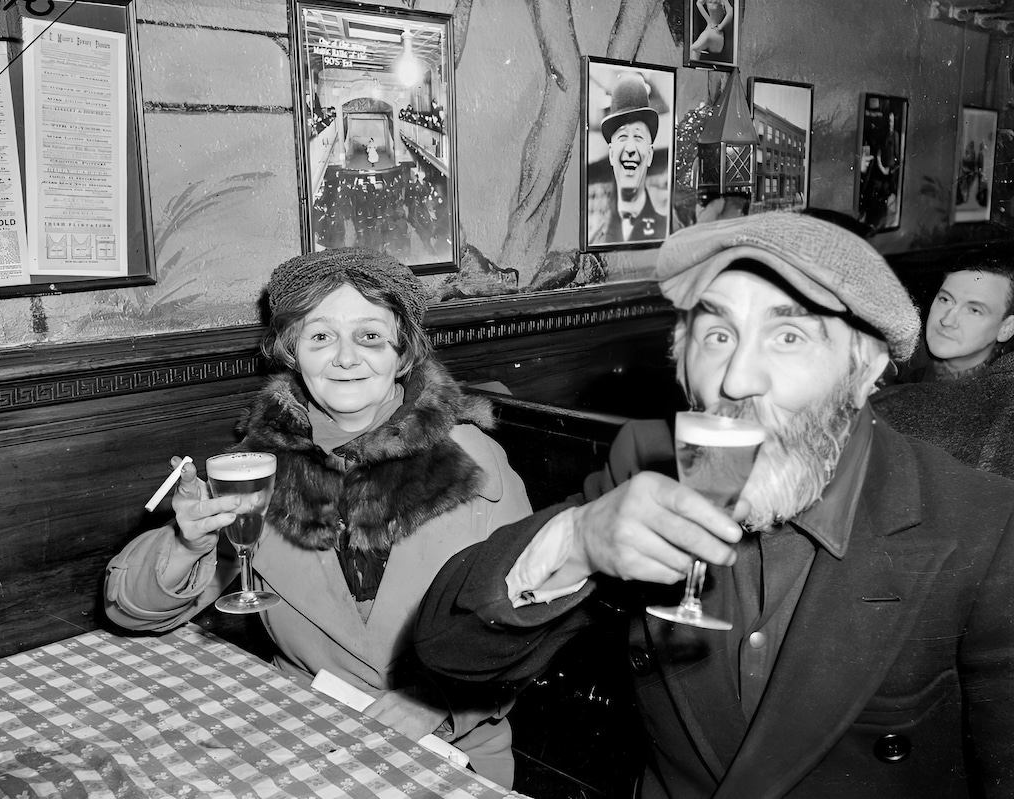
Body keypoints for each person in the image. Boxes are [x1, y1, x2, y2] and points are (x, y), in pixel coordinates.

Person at [414, 212, 1014, 798]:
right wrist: (576, 541)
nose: (736, 379)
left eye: (789, 335)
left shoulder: (984, 526)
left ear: (866, 370)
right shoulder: (649, 465)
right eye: (719, 335)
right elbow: (451, 652)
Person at [106, 248, 532, 788]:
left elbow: (533, 624)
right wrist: (186, 545)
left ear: (402, 351)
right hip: (306, 736)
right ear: (293, 353)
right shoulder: (257, 469)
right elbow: (129, 610)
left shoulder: (475, 465)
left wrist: (435, 704)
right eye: (320, 336)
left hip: (450, 752)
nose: (345, 358)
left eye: (370, 336)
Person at [872, 255, 1014, 478]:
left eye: (974, 310)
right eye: (945, 300)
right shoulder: (883, 367)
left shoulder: (1005, 403)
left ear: (1007, 328)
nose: (948, 320)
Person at [588, 72, 668, 245]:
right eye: (623, 137)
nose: (630, 149)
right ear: (610, 154)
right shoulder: (594, 241)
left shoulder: (669, 231)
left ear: (650, 154)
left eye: (638, 137)